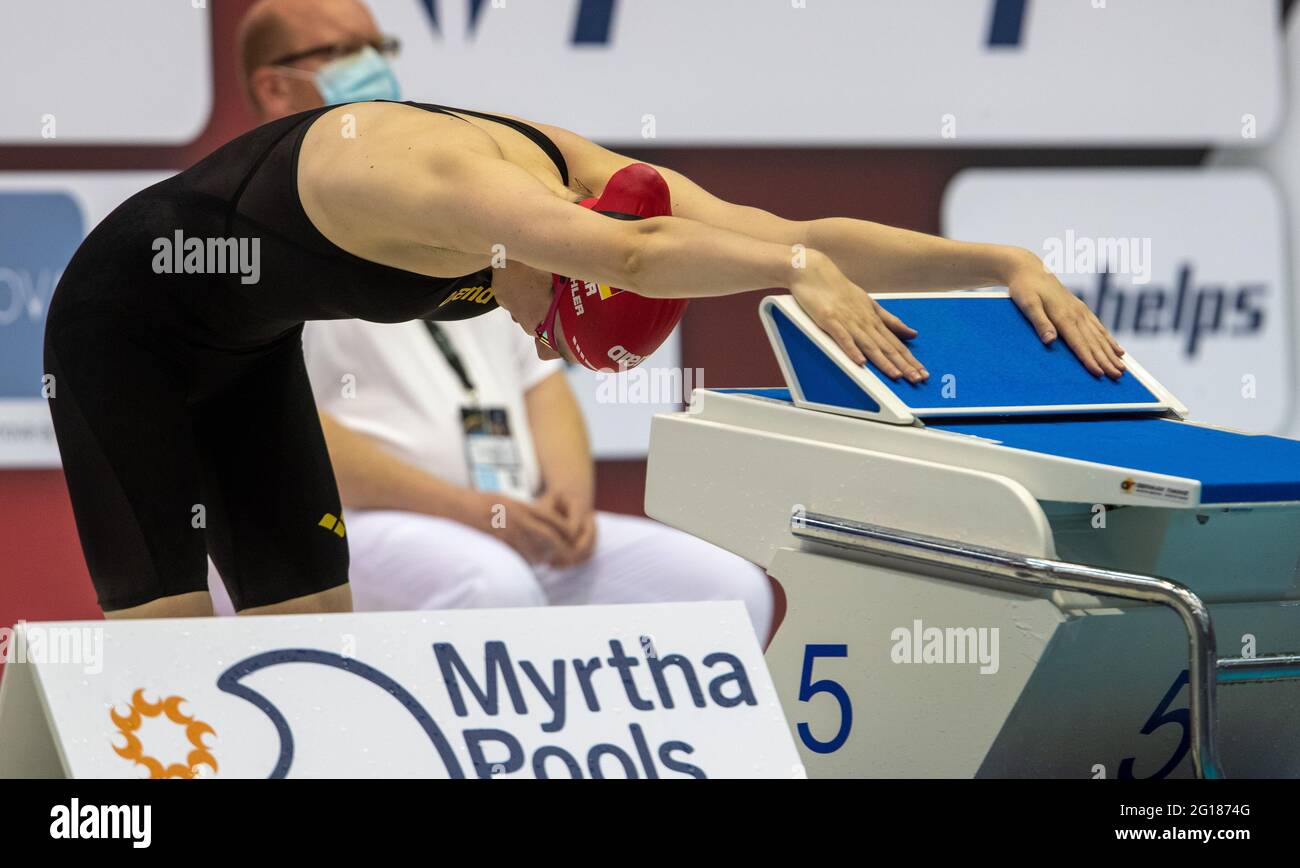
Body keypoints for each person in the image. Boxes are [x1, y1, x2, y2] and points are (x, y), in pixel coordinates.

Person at [43, 0, 1126, 621]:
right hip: (120, 337)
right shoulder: (453, 188)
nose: (533, 338)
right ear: (560, 269)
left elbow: (791, 227)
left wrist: (995, 257)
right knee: (167, 659)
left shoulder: (583, 177)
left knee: (316, 648)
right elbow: (645, 254)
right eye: (553, 328)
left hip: (246, 347)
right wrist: (786, 270)